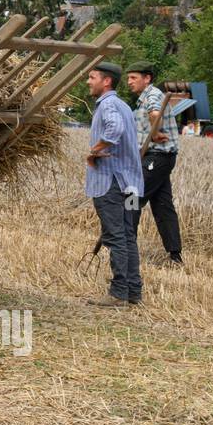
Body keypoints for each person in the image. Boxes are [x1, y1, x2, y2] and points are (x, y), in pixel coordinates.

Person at [85, 61, 143, 307]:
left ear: (106, 81)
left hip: (111, 183)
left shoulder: (107, 104)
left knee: (116, 236)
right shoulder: (123, 105)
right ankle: (133, 291)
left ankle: (119, 292)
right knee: (128, 235)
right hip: (131, 185)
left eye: (92, 77)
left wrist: (95, 150)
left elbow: (114, 129)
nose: (88, 81)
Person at [127, 61, 183, 266]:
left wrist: (156, 129)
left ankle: (126, 247)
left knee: (130, 197)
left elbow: (154, 113)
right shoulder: (142, 100)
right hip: (159, 158)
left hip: (157, 158)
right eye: (128, 78)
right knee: (162, 206)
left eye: (133, 78)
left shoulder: (153, 95)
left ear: (147, 78)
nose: (129, 82)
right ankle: (175, 255)